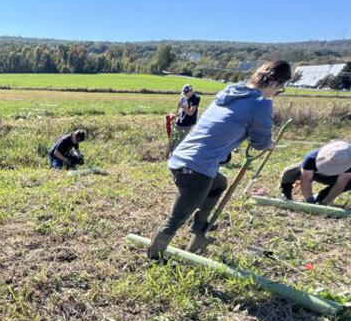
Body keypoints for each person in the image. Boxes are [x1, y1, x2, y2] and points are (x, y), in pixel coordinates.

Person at [147, 60, 292, 258]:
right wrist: (270, 144)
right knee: (176, 218)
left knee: (219, 183)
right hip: (197, 167)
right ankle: (155, 258)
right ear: (276, 83)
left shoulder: (231, 93)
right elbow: (260, 142)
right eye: (280, 88)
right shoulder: (261, 104)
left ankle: (200, 229)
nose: (277, 92)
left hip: (181, 157)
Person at [280, 141, 351, 205]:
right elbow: (306, 179)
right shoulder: (311, 158)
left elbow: (340, 185)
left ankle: (322, 197)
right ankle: (286, 190)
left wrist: (326, 202)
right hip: (316, 174)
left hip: (335, 178)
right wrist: (309, 199)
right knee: (291, 171)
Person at [168, 84, 201, 154]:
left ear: (191, 91)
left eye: (186, 93)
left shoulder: (196, 98)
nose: (185, 95)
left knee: (178, 144)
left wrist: (182, 106)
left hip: (186, 125)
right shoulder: (184, 98)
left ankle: (175, 159)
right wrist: (175, 116)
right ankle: (169, 156)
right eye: (184, 93)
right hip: (178, 123)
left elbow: (191, 112)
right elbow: (182, 111)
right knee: (172, 142)